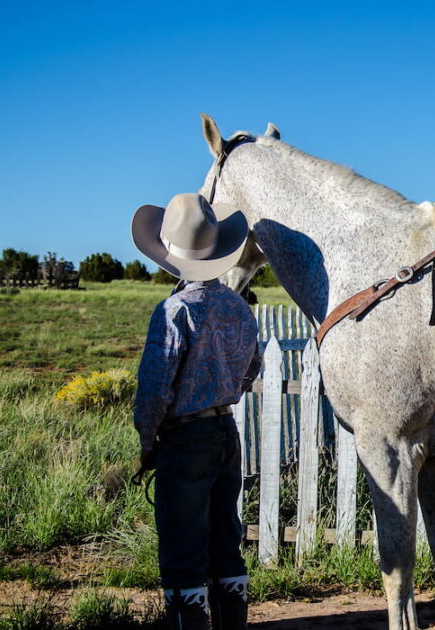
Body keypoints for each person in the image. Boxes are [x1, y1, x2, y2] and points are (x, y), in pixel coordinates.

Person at [131, 192, 260, 630]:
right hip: (226, 430)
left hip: (185, 438)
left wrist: (148, 443)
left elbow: (153, 389)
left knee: (184, 547)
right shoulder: (239, 307)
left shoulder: (173, 311)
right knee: (225, 538)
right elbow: (252, 367)